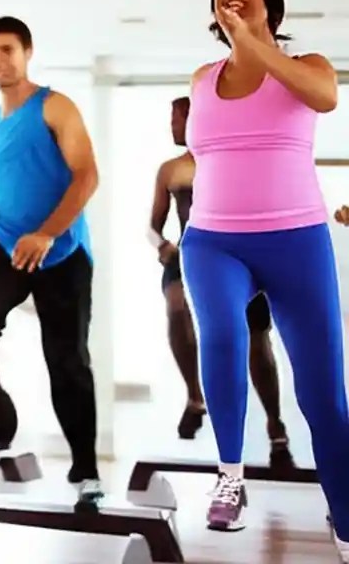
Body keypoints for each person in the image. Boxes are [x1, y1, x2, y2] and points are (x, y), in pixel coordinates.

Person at [177, 0, 348, 552]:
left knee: (323, 395)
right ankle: (230, 477)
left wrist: (255, 42)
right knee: (222, 333)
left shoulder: (307, 66)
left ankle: (347, 516)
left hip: (296, 239)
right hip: (213, 239)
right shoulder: (202, 80)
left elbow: (325, 98)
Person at [0, 15, 103, 505]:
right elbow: (3, 188)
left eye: (7, 50)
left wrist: (48, 233)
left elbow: (86, 176)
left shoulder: (55, 106)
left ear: (27, 53)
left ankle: (86, 472)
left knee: (66, 362)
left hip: (63, 252)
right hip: (6, 244)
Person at [148, 95, 293, 469]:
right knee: (176, 303)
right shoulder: (170, 170)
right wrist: (161, 243)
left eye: (177, 118)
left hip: (238, 257)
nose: (172, 126)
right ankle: (195, 397)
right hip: (187, 255)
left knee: (255, 336)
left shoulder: (235, 160)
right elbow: (152, 226)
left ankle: (276, 425)